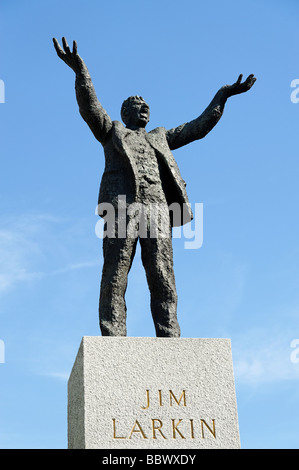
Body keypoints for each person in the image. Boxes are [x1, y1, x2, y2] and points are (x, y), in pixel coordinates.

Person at [53, 37, 256, 337]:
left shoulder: (161, 136)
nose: (144, 107)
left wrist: (223, 95)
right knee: (115, 275)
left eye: (146, 104)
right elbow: (90, 105)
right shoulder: (111, 132)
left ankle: (170, 337)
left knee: (163, 277)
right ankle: (113, 339)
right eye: (137, 105)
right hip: (121, 209)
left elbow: (198, 127)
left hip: (158, 210)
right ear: (125, 114)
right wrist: (80, 70)